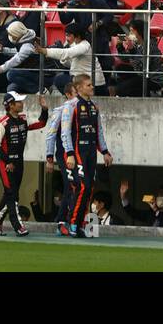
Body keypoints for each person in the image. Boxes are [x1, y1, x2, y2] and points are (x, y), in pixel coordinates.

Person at [0, 91, 49, 236]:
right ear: (10, 105)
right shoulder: (1, 123)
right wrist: (7, 161)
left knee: (10, 194)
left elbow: (41, 123)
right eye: (19, 102)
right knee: (12, 195)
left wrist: (45, 109)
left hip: (19, 162)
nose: (22, 104)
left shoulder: (23, 119)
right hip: (6, 163)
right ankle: (18, 226)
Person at [61, 74, 113, 238]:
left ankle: (81, 223)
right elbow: (65, 132)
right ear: (79, 88)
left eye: (91, 85)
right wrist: (69, 154)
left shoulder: (94, 107)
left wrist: (105, 151)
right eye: (89, 85)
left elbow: (99, 132)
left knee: (89, 189)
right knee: (82, 186)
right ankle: (73, 224)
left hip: (91, 152)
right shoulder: (71, 106)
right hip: (78, 152)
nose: (92, 87)